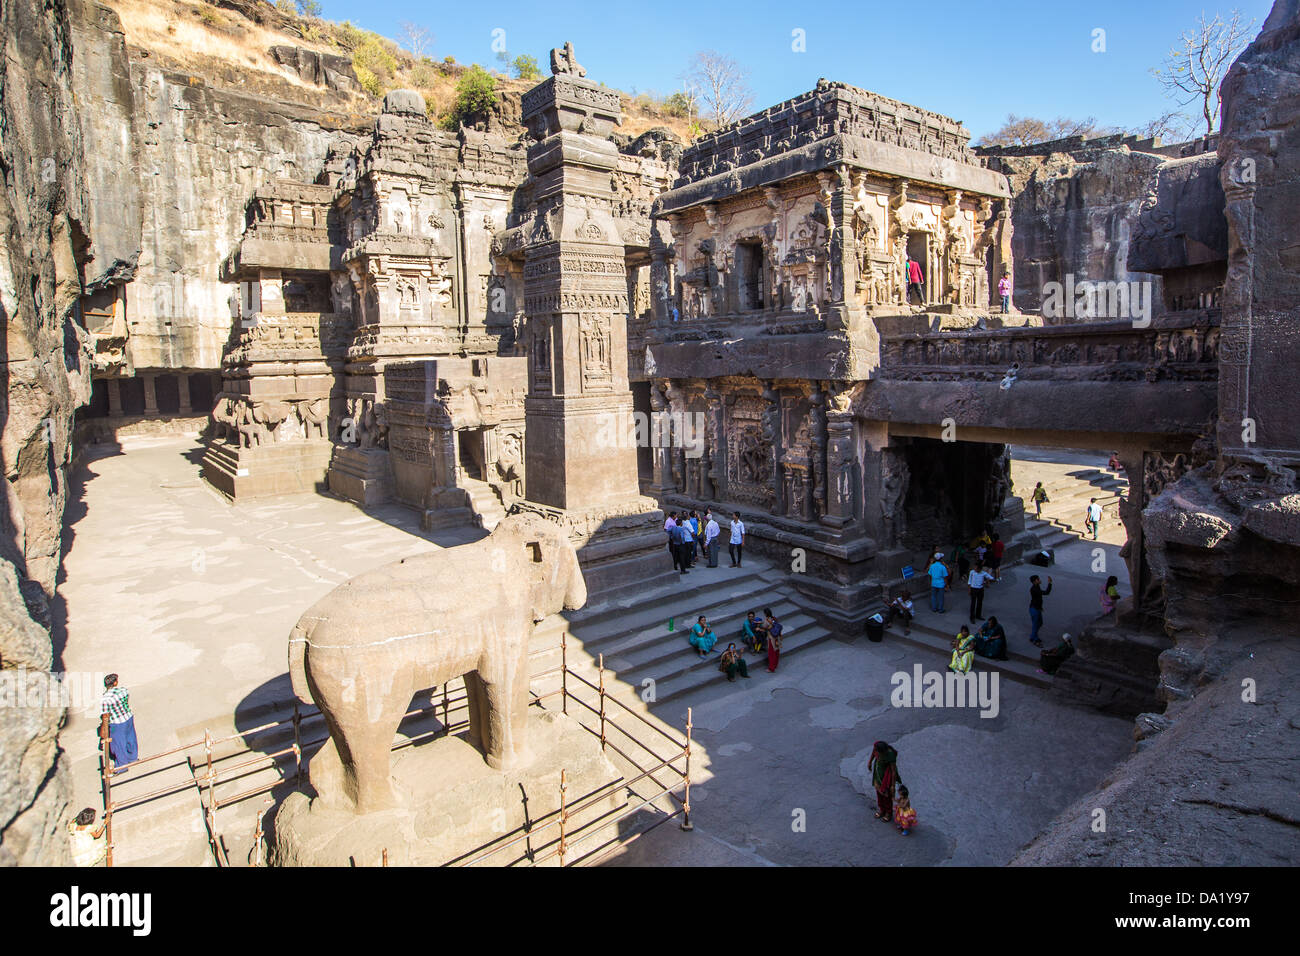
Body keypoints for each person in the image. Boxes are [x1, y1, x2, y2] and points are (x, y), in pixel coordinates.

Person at [101, 673, 138, 773]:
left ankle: (122, 766)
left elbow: (105, 714)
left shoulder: (105, 698)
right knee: (130, 737)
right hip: (128, 716)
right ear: (115, 682)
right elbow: (126, 701)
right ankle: (133, 757)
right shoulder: (124, 690)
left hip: (116, 722)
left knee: (118, 744)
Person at [868, 741, 901, 823]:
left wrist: (892, 786)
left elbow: (893, 771)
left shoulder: (890, 755)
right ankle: (882, 810)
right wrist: (870, 762)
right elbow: (873, 753)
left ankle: (888, 813)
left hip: (886, 777)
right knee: (879, 794)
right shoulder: (876, 747)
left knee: (886, 796)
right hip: (878, 774)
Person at [1028, 574, 1053, 647]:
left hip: (1037, 608)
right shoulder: (1034, 589)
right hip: (1034, 609)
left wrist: (1040, 607)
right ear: (1035, 581)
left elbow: (1038, 599)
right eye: (1038, 579)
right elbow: (1046, 592)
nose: (1040, 580)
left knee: (1039, 623)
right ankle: (1035, 639)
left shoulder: (1036, 587)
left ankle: (1033, 636)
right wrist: (1050, 583)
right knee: (1036, 625)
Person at [764, 607, 784, 672]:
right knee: (776, 652)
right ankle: (775, 665)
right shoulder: (774, 618)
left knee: (771, 653)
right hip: (777, 637)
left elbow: (765, 627)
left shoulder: (766, 620)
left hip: (771, 638)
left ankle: (771, 668)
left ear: (765, 613)